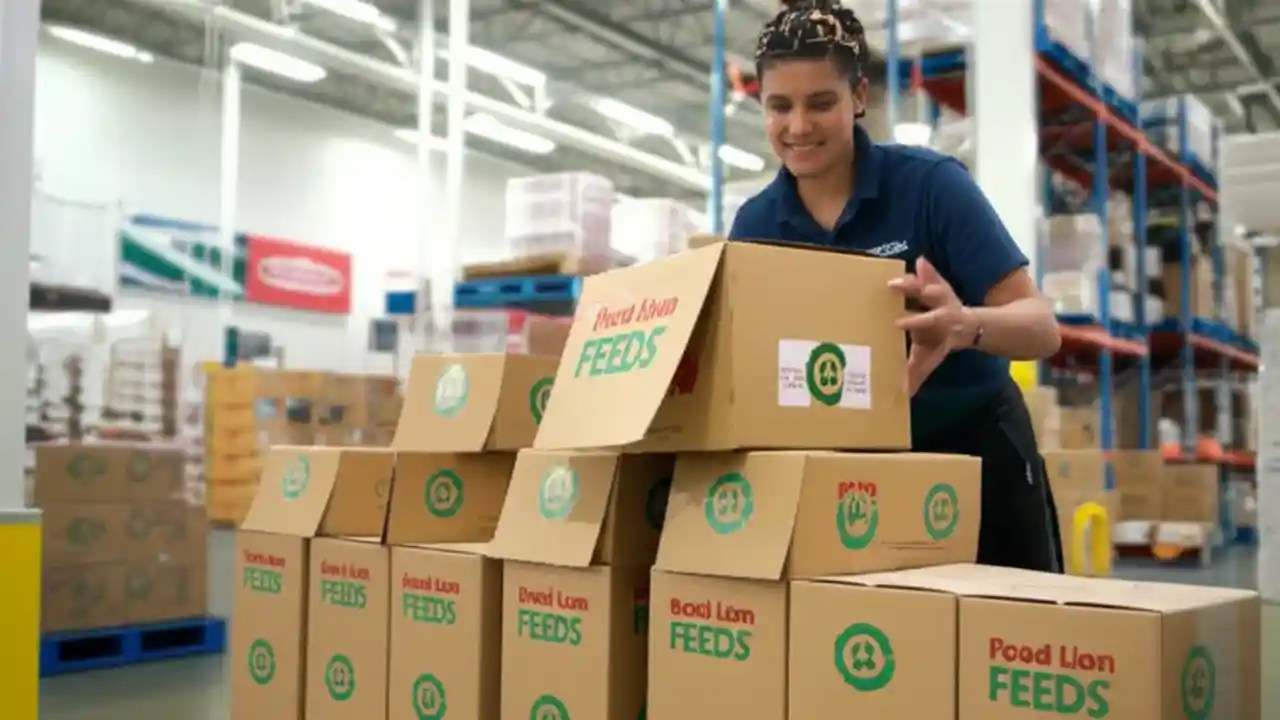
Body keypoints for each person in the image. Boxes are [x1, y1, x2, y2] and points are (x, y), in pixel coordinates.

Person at [730, 0, 1065, 573]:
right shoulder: (755, 226)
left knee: (1004, 639)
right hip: (850, 474)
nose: (798, 127)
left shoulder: (931, 187)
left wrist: (966, 326)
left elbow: (1042, 328)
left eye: (821, 103)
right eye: (778, 106)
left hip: (976, 451)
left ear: (859, 97)